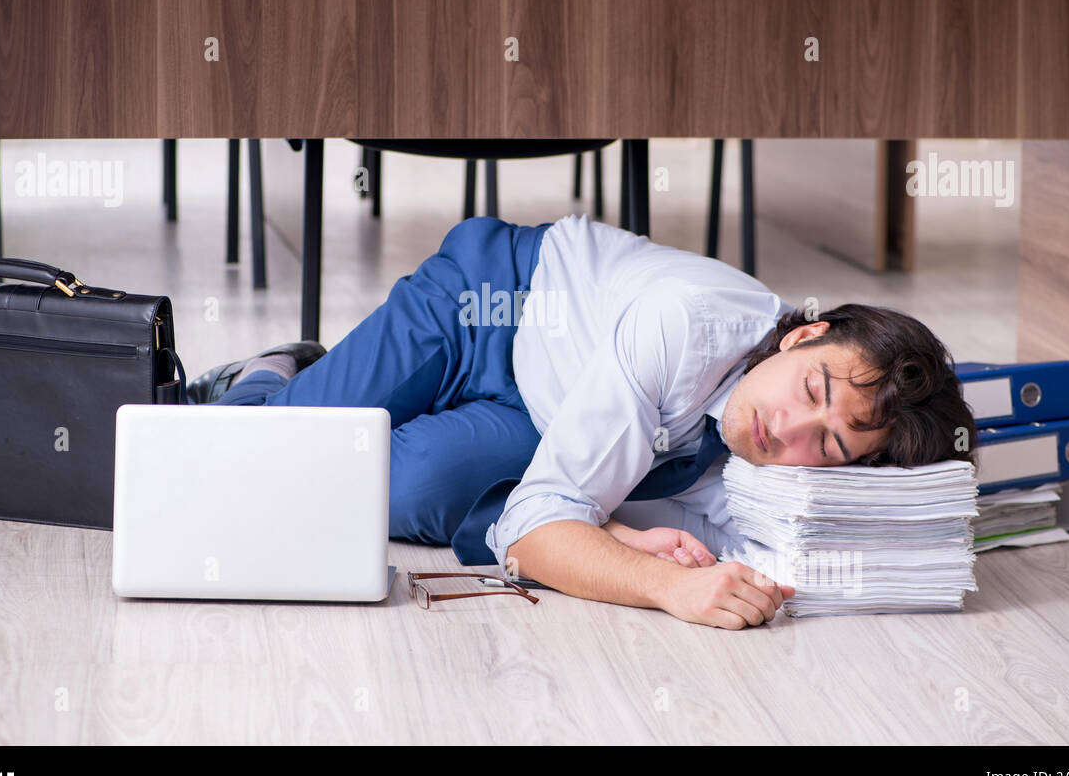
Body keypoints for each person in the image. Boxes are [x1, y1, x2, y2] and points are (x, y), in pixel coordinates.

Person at [189, 214, 977, 630]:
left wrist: (618, 539)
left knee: (388, 487)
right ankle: (269, 374)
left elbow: (566, 509)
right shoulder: (688, 324)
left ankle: (325, 394)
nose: (788, 430)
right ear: (803, 334)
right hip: (490, 302)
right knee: (263, 456)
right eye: (809, 388)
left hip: (543, 415)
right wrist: (666, 585)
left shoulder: (784, 473)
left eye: (830, 443)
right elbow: (541, 524)